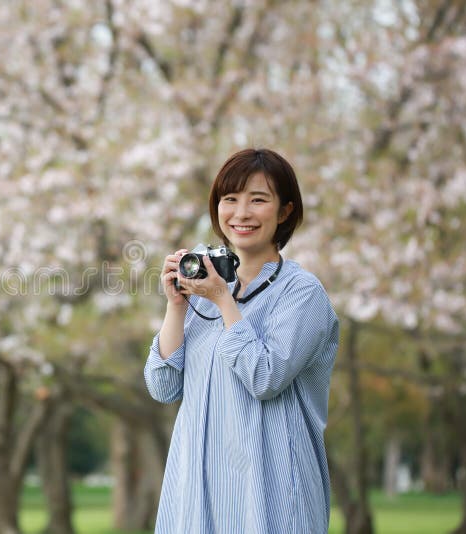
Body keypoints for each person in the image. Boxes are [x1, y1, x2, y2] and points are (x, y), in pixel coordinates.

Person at [144, 148, 339, 534]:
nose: (241, 213)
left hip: (271, 492)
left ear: (285, 211)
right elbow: (163, 386)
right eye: (229, 200)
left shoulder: (302, 294)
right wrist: (177, 307)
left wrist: (222, 300)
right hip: (198, 492)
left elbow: (264, 377)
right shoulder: (205, 285)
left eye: (258, 200)